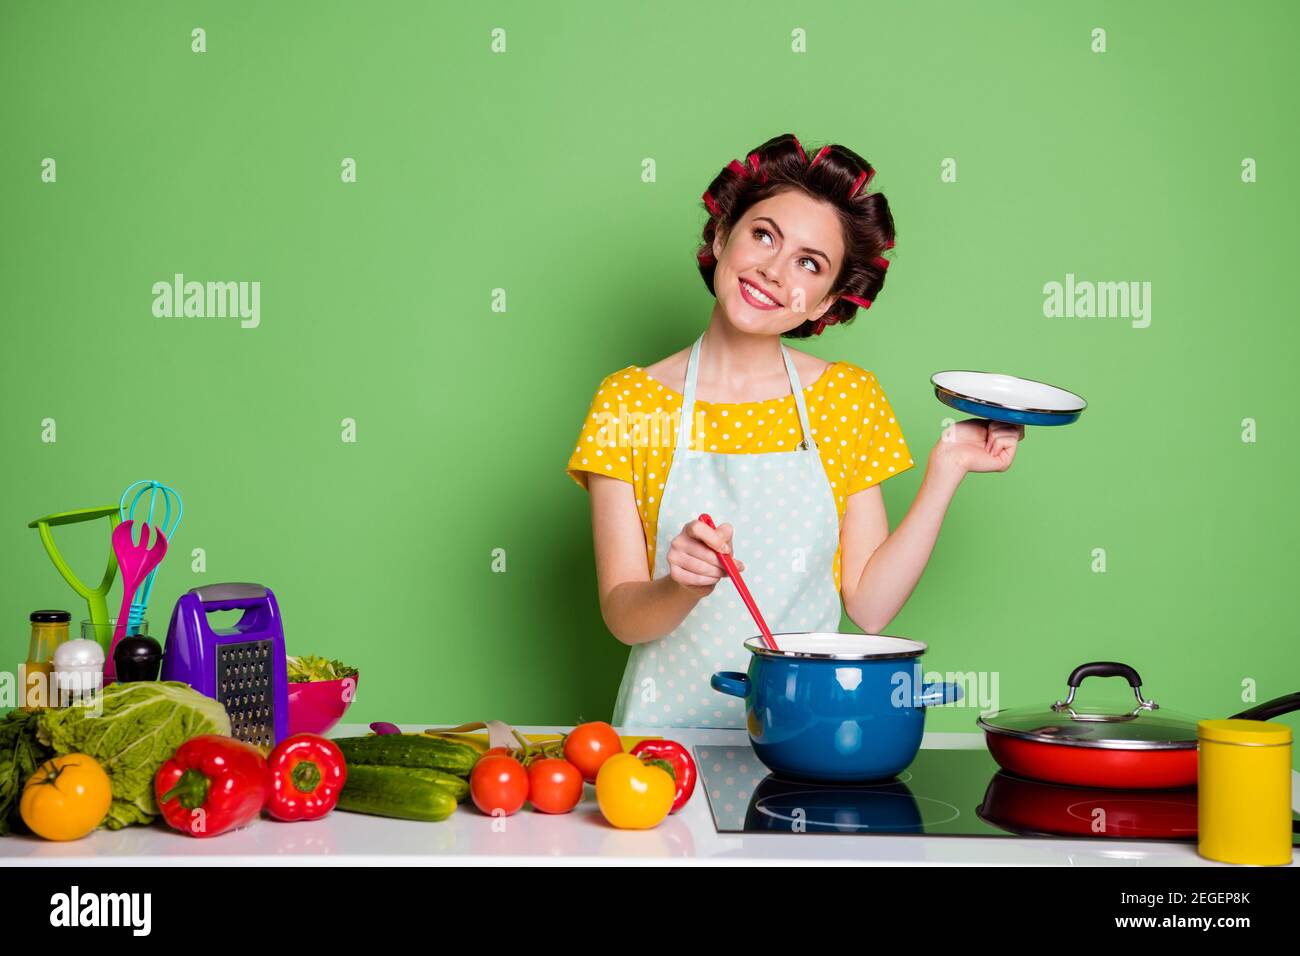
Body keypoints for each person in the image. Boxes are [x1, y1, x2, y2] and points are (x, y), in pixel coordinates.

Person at [565, 133, 1023, 729]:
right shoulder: (627, 401)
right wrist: (680, 585)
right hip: (662, 745)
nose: (774, 271)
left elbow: (872, 607)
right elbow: (624, 616)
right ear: (722, 236)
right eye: (764, 235)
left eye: (809, 263)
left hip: (804, 740)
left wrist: (948, 467)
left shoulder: (848, 399)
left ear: (826, 301)